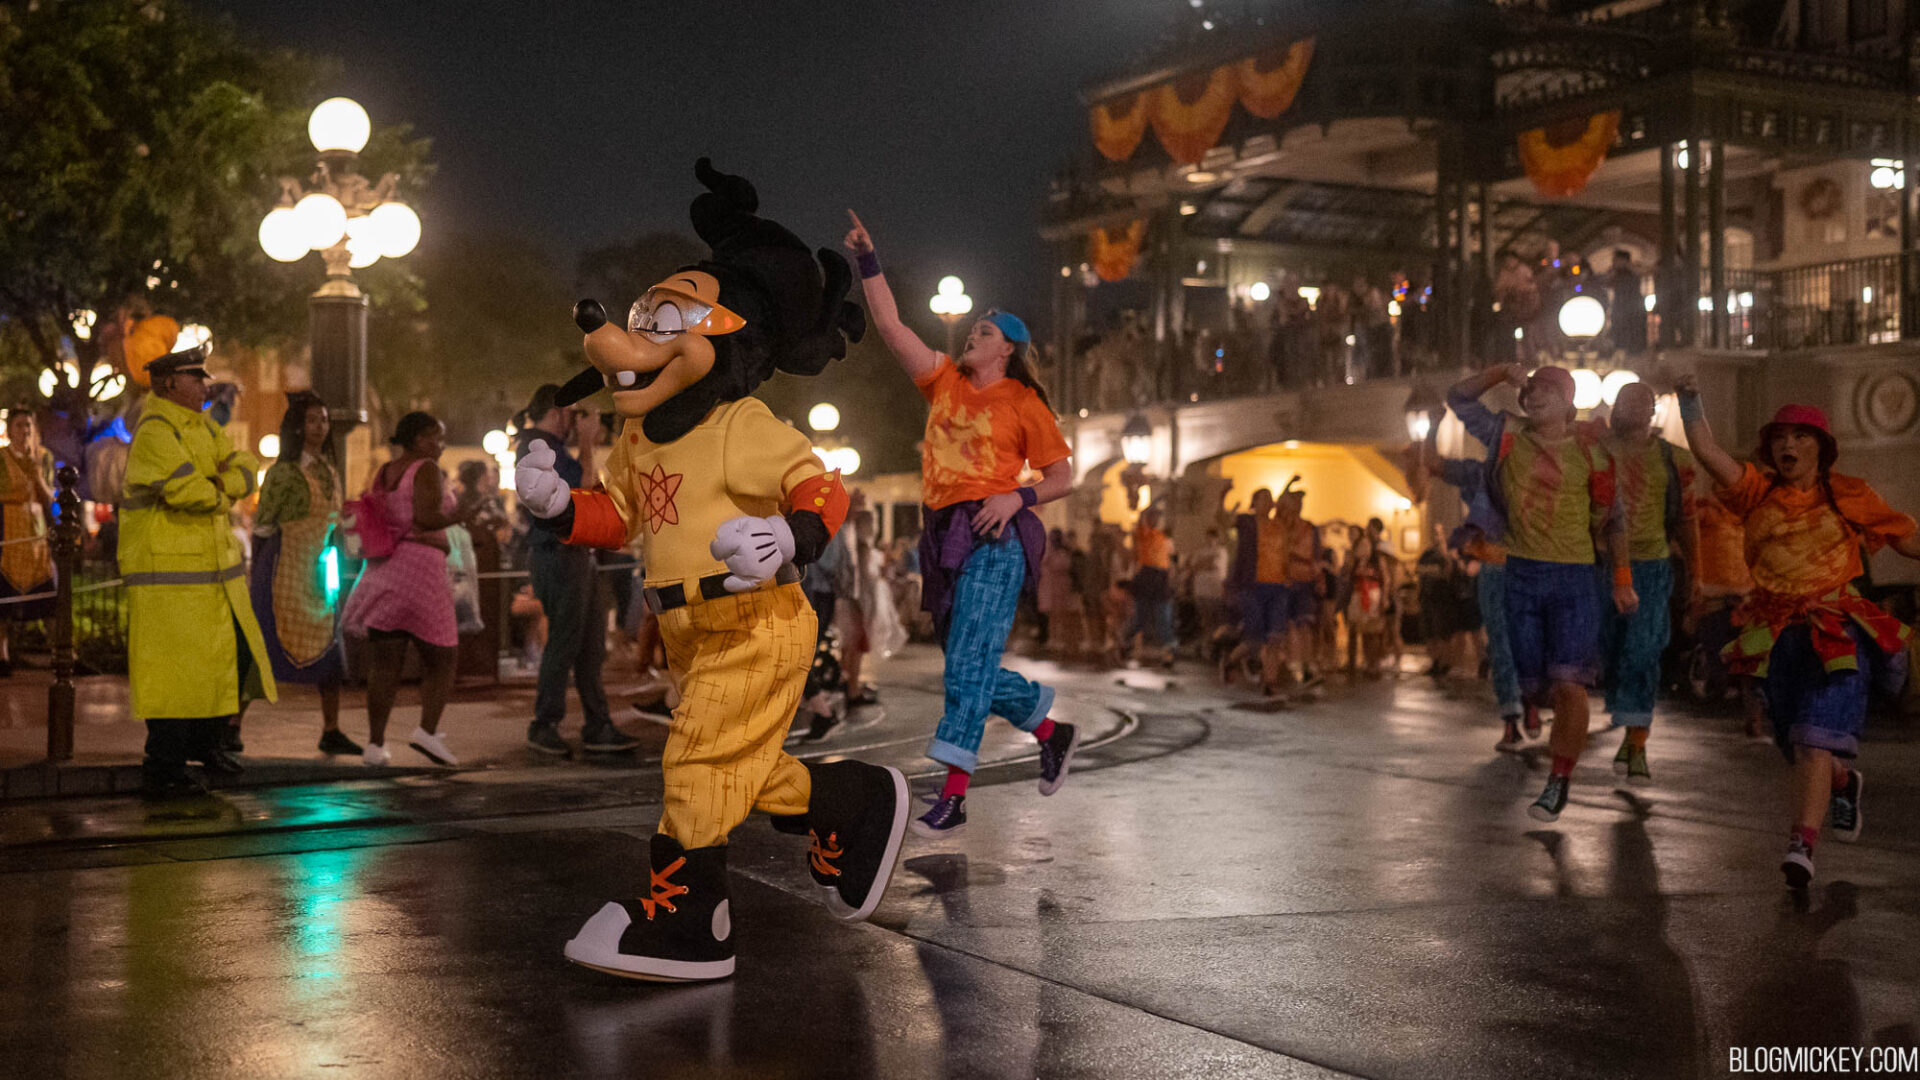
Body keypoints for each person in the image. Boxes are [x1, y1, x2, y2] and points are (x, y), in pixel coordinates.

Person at [847, 209, 1080, 837]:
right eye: (972, 328)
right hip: (942, 534)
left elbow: (1062, 476)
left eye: (985, 330)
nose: (973, 334)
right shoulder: (943, 380)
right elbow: (891, 324)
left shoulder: (1025, 403)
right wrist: (868, 259)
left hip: (995, 536)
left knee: (964, 667)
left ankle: (953, 793)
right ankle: (1052, 732)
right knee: (967, 663)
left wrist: (1016, 500)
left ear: (1007, 349)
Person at [1676, 379, 1920, 888]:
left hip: (1837, 631)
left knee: (1814, 737)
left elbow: (1906, 537)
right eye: (1780, 437)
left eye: (1801, 437)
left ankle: (1800, 848)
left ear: (1822, 448)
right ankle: (1842, 782)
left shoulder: (1849, 493)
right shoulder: (1754, 491)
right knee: (1798, 743)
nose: (1788, 445)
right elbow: (1705, 449)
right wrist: (1689, 397)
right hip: (1775, 632)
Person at [1449, 364, 1632, 822]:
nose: (1532, 397)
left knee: (1570, 683)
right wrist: (1499, 374)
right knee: (1537, 685)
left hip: (1575, 578)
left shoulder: (1592, 452)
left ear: (1569, 399)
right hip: (1521, 576)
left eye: (1544, 389)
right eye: (1528, 391)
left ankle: (1559, 778)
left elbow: (1614, 519)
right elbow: (1458, 397)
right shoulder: (1505, 434)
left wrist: (1623, 579)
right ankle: (1535, 710)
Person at [120, 346, 276, 796]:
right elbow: (187, 492)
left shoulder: (201, 426)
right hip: (167, 580)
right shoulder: (155, 431)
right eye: (196, 377)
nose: (206, 386)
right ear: (169, 383)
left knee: (218, 665)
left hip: (207, 575)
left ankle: (205, 748)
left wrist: (220, 485)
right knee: (173, 677)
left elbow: (247, 466)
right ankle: (164, 766)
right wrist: (223, 485)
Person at [342, 411, 472, 767]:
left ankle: (374, 745)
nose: (441, 444)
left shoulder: (384, 472)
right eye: (436, 436)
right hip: (421, 568)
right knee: (443, 655)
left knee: (385, 662)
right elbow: (426, 518)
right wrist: (461, 515)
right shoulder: (426, 468)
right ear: (418, 439)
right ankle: (427, 732)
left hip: (385, 568)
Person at [517, 385, 637, 756]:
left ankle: (597, 723)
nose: (576, 421)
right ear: (558, 412)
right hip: (558, 554)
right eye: (573, 414)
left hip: (574, 554)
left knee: (590, 644)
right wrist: (587, 444)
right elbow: (579, 489)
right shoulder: (538, 446)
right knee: (567, 640)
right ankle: (545, 723)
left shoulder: (547, 445)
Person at [246, 392, 359, 756]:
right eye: (312, 420)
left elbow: (335, 524)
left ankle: (331, 728)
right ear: (297, 426)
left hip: (319, 569)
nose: (319, 427)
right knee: (261, 649)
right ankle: (232, 724)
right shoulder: (283, 472)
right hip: (283, 568)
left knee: (330, 647)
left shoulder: (328, 470)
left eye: (324, 420)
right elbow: (262, 528)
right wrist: (257, 574)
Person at [1411, 420, 1535, 751]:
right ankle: (1512, 718)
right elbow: (1434, 464)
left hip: (1533, 565)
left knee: (1528, 637)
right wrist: (1431, 426)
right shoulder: (1477, 472)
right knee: (1500, 640)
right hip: (1496, 566)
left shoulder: (1543, 473)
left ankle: (1532, 701)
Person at [1596, 381, 1697, 784]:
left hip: (1653, 564)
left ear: (1652, 410)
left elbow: (1688, 520)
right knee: (1610, 648)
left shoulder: (1673, 458)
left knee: (1644, 650)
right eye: (1624, 400)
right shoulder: (1595, 450)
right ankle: (1629, 724)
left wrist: (1698, 574)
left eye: (1640, 401)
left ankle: (1637, 741)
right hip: (1600, 564)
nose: (1632, 407)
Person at [0, 407, 56, 675]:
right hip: (8, 533)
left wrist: (35, 476)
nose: (25, 430)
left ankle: (62, 652)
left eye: (28, 425)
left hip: (36, 536)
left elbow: (49, 497)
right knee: (4, 595)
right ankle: (4, 655)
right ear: (9, 429)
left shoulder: (43, 458)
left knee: (48, 592)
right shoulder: (1, 458)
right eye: (20, 425)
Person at [1122, 506, 1175, 665]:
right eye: (1152, 516)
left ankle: (1168, 653)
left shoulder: (1162, 536)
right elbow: (1139, 524)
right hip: (1146, 576)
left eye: (1157, 517)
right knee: (1140, 618)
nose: (1155, 519)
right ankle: (1125, 642)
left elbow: (1168, 559)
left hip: (1161, 578)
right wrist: (1143, 512)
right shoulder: (1142, 533)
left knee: (1163, 617)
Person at [1036, 527, 1078, 654]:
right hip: (1050, 587)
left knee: (1061, 615)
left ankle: (1060, 639)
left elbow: (1064, 566)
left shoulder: (1064, 553)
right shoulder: (1047, 551)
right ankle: (1052, 638)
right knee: (1051, 616)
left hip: (1061, 587)